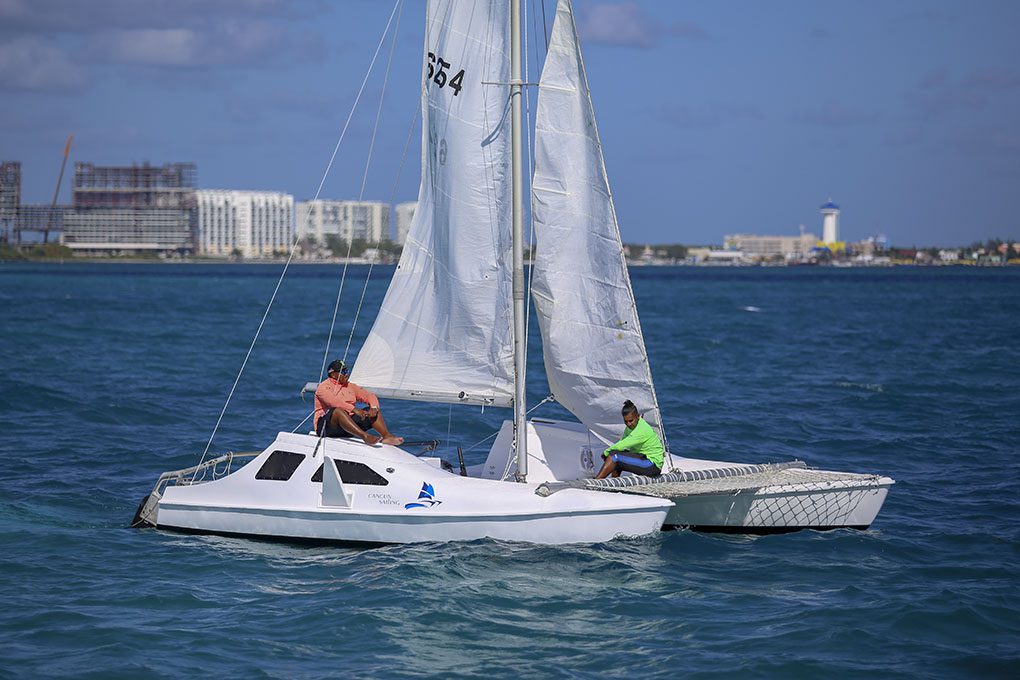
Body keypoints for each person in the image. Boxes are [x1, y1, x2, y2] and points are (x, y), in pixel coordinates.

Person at [314, 359, 403, 446]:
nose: (347, 374)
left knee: (371, 410)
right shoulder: (323, 387)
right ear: (333, 374)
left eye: (347, 371)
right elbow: (333, 402)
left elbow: (369, 395)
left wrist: (374, 407)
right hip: (326, 427)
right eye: (343, 372)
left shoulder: (350, 386)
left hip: (346, 427)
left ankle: (387, 436)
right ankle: (365, 436)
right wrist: (354, 409)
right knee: (338, 411)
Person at [595, 400, 664, 479]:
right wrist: (610, 453)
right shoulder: (630, 427)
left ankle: (597, 481)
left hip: (652, 465)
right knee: (616, 455)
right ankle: (614, 483)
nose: (628, 424)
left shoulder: (642, 429)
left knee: (614, 456)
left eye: (631, 421)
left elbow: (622, 445)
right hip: (643, 458)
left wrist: (606, 452)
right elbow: (622, 442)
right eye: (626, 421)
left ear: (638, 416)